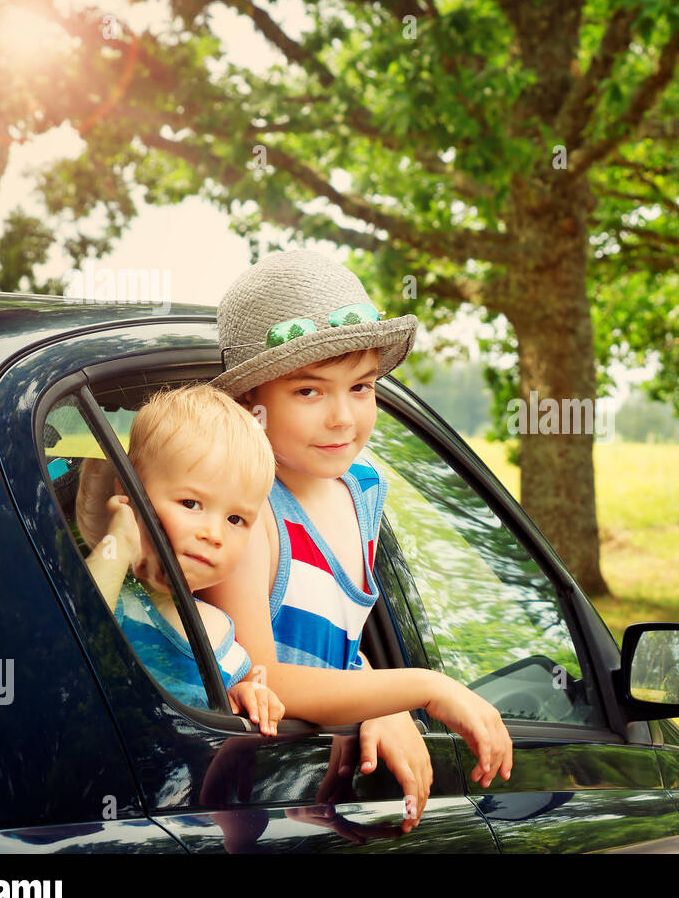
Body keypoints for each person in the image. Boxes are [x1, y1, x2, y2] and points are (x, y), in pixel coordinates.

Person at [200, 249, 512, 831]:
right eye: (309, 392)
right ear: (251, 403)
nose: (343, 418)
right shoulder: (252, 514)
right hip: (256, 801)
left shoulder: (361, 488)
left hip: (317, 796)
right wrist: (419, 689)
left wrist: (373, 694)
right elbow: (265, 677)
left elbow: (331, 641)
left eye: (362, 387)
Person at [82, 384, 286, 735]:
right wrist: (122, 540)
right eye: (191, 504)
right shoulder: (117, 596)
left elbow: (222, 706)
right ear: (129, 493)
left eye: (235, 519)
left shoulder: (222, 637)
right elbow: (73, 625)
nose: (214, 533)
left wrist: (245, 695)